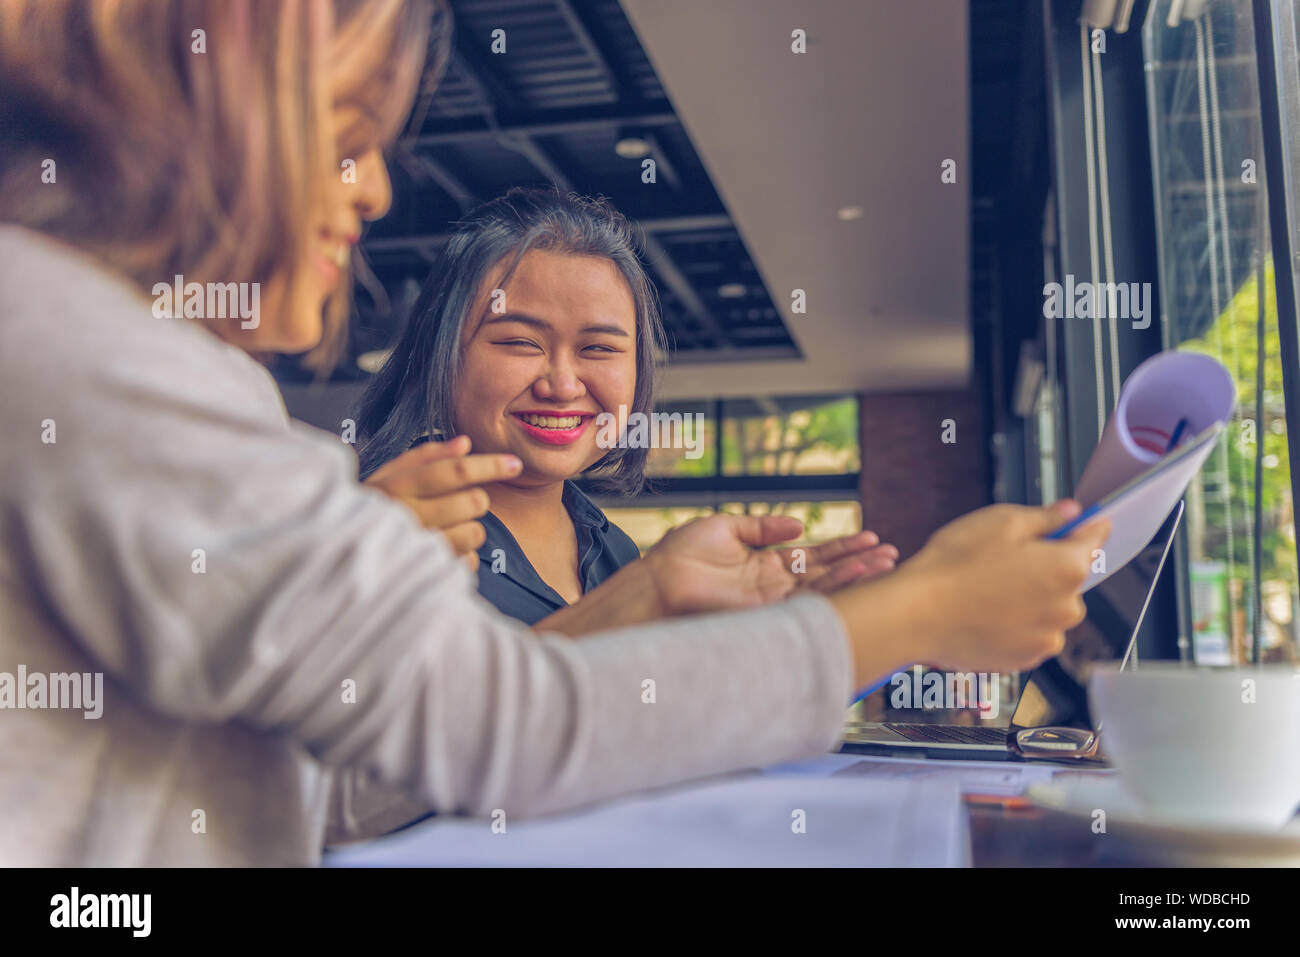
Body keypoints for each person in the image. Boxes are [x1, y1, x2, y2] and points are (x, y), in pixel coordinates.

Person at [0, 0, 1109, 866]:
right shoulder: (73, 338)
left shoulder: (159, 366)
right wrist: (917, 613)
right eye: (343, 138)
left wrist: (646, 598)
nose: (376, 189)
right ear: (198, 115)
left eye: (602, 349)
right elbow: (500, 729)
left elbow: (338, 788)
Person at [356, 187, 899, 628]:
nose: (563, 384)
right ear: (440, 352)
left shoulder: (612, 548)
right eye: (521, 342)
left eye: (599, 349)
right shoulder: (383, 530)